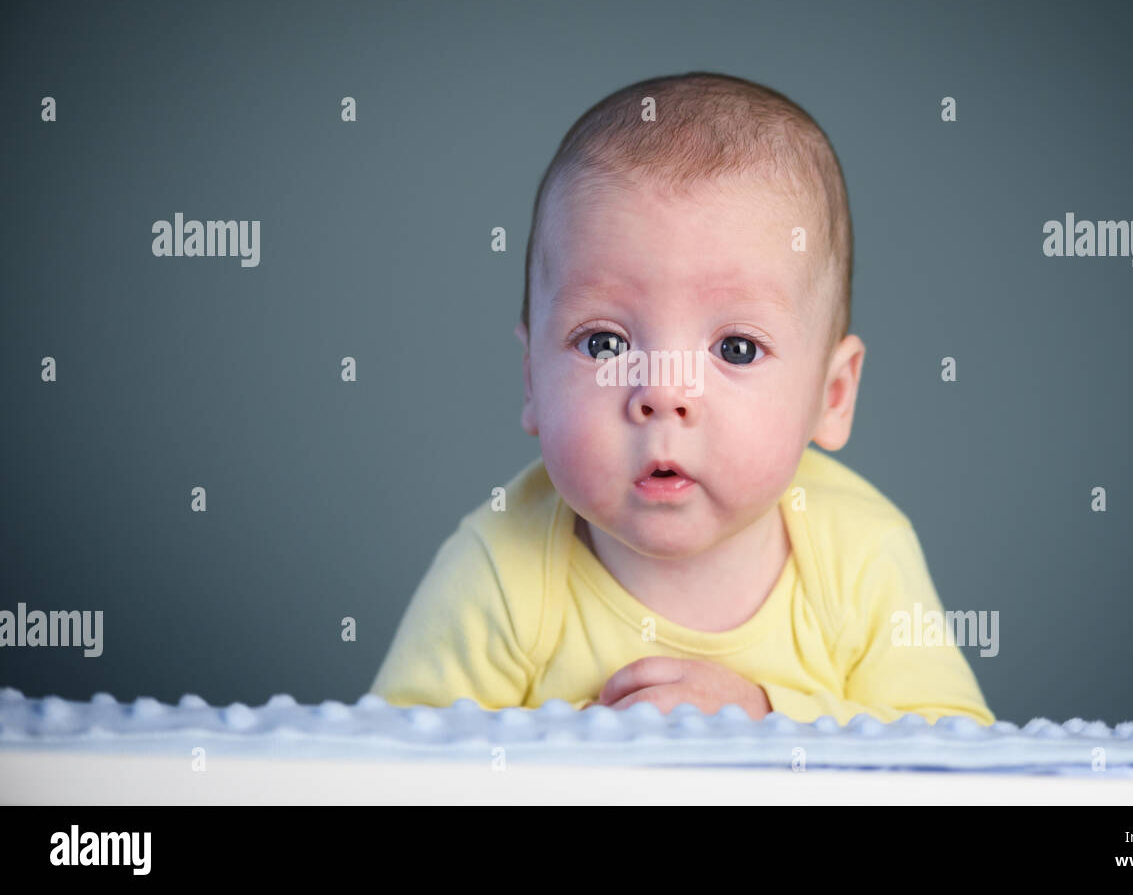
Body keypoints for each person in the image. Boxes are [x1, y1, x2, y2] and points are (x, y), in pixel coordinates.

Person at [370, 71, 994, 726]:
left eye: (736, 349)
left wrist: (767, 719)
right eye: (605, 344)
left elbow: (954, 756)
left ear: (831, 396)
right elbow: (392, 768)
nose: (665, 392)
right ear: (531, 380)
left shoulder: (863, 555)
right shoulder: (499, 568)